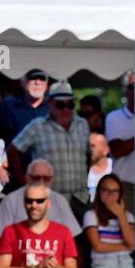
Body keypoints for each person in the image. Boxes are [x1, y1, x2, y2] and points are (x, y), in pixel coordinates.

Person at [11, 80, 93, 211]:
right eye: (60, 105)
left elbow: (88, 155)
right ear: (50, 105)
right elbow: (13, 150)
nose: (66, 109)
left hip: (80, 198)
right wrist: (24, 183)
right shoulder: (37, 126)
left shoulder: (82, 124)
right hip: (49, 199)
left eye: (70, 105)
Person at [0, 67, 50, 152]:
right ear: (23, 82)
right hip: (16, 163)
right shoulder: (8, 105)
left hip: (49, 163)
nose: (37, 82)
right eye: (32, 78)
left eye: (42, 79)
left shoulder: (56, 106)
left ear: (46, 85)